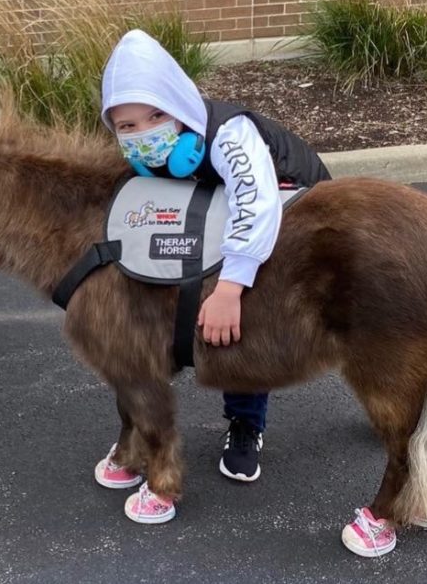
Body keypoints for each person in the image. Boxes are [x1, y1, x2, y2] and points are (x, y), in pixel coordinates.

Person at [96, 30, 332, 518]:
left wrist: (230, 288)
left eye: (157, 116)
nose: (144, 132)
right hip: (221, 209)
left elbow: (257, 202)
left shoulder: (228, 134)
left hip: (296, 205)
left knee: (246, 317)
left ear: (180, 105)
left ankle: (247, 422)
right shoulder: (148, 155)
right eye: (128, 125)